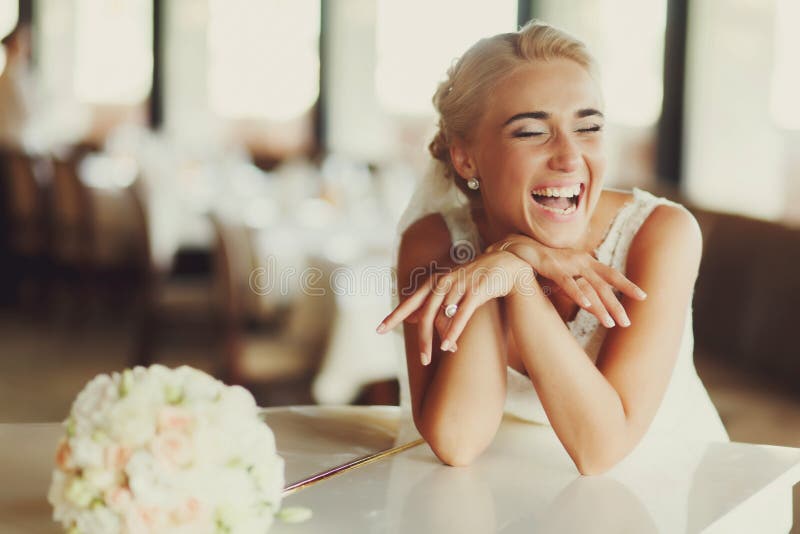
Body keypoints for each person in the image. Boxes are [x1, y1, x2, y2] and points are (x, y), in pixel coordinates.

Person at [375, 20, 729, 475]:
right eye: (530, 132)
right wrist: (499, 264)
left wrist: (515, 271)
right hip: (526, 493)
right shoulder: (434, 242)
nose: (569, 157)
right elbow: (458, 441)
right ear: (465, 158)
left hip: (676, 489)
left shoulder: (660, 233)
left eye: (589, 127)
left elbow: (601, 449)